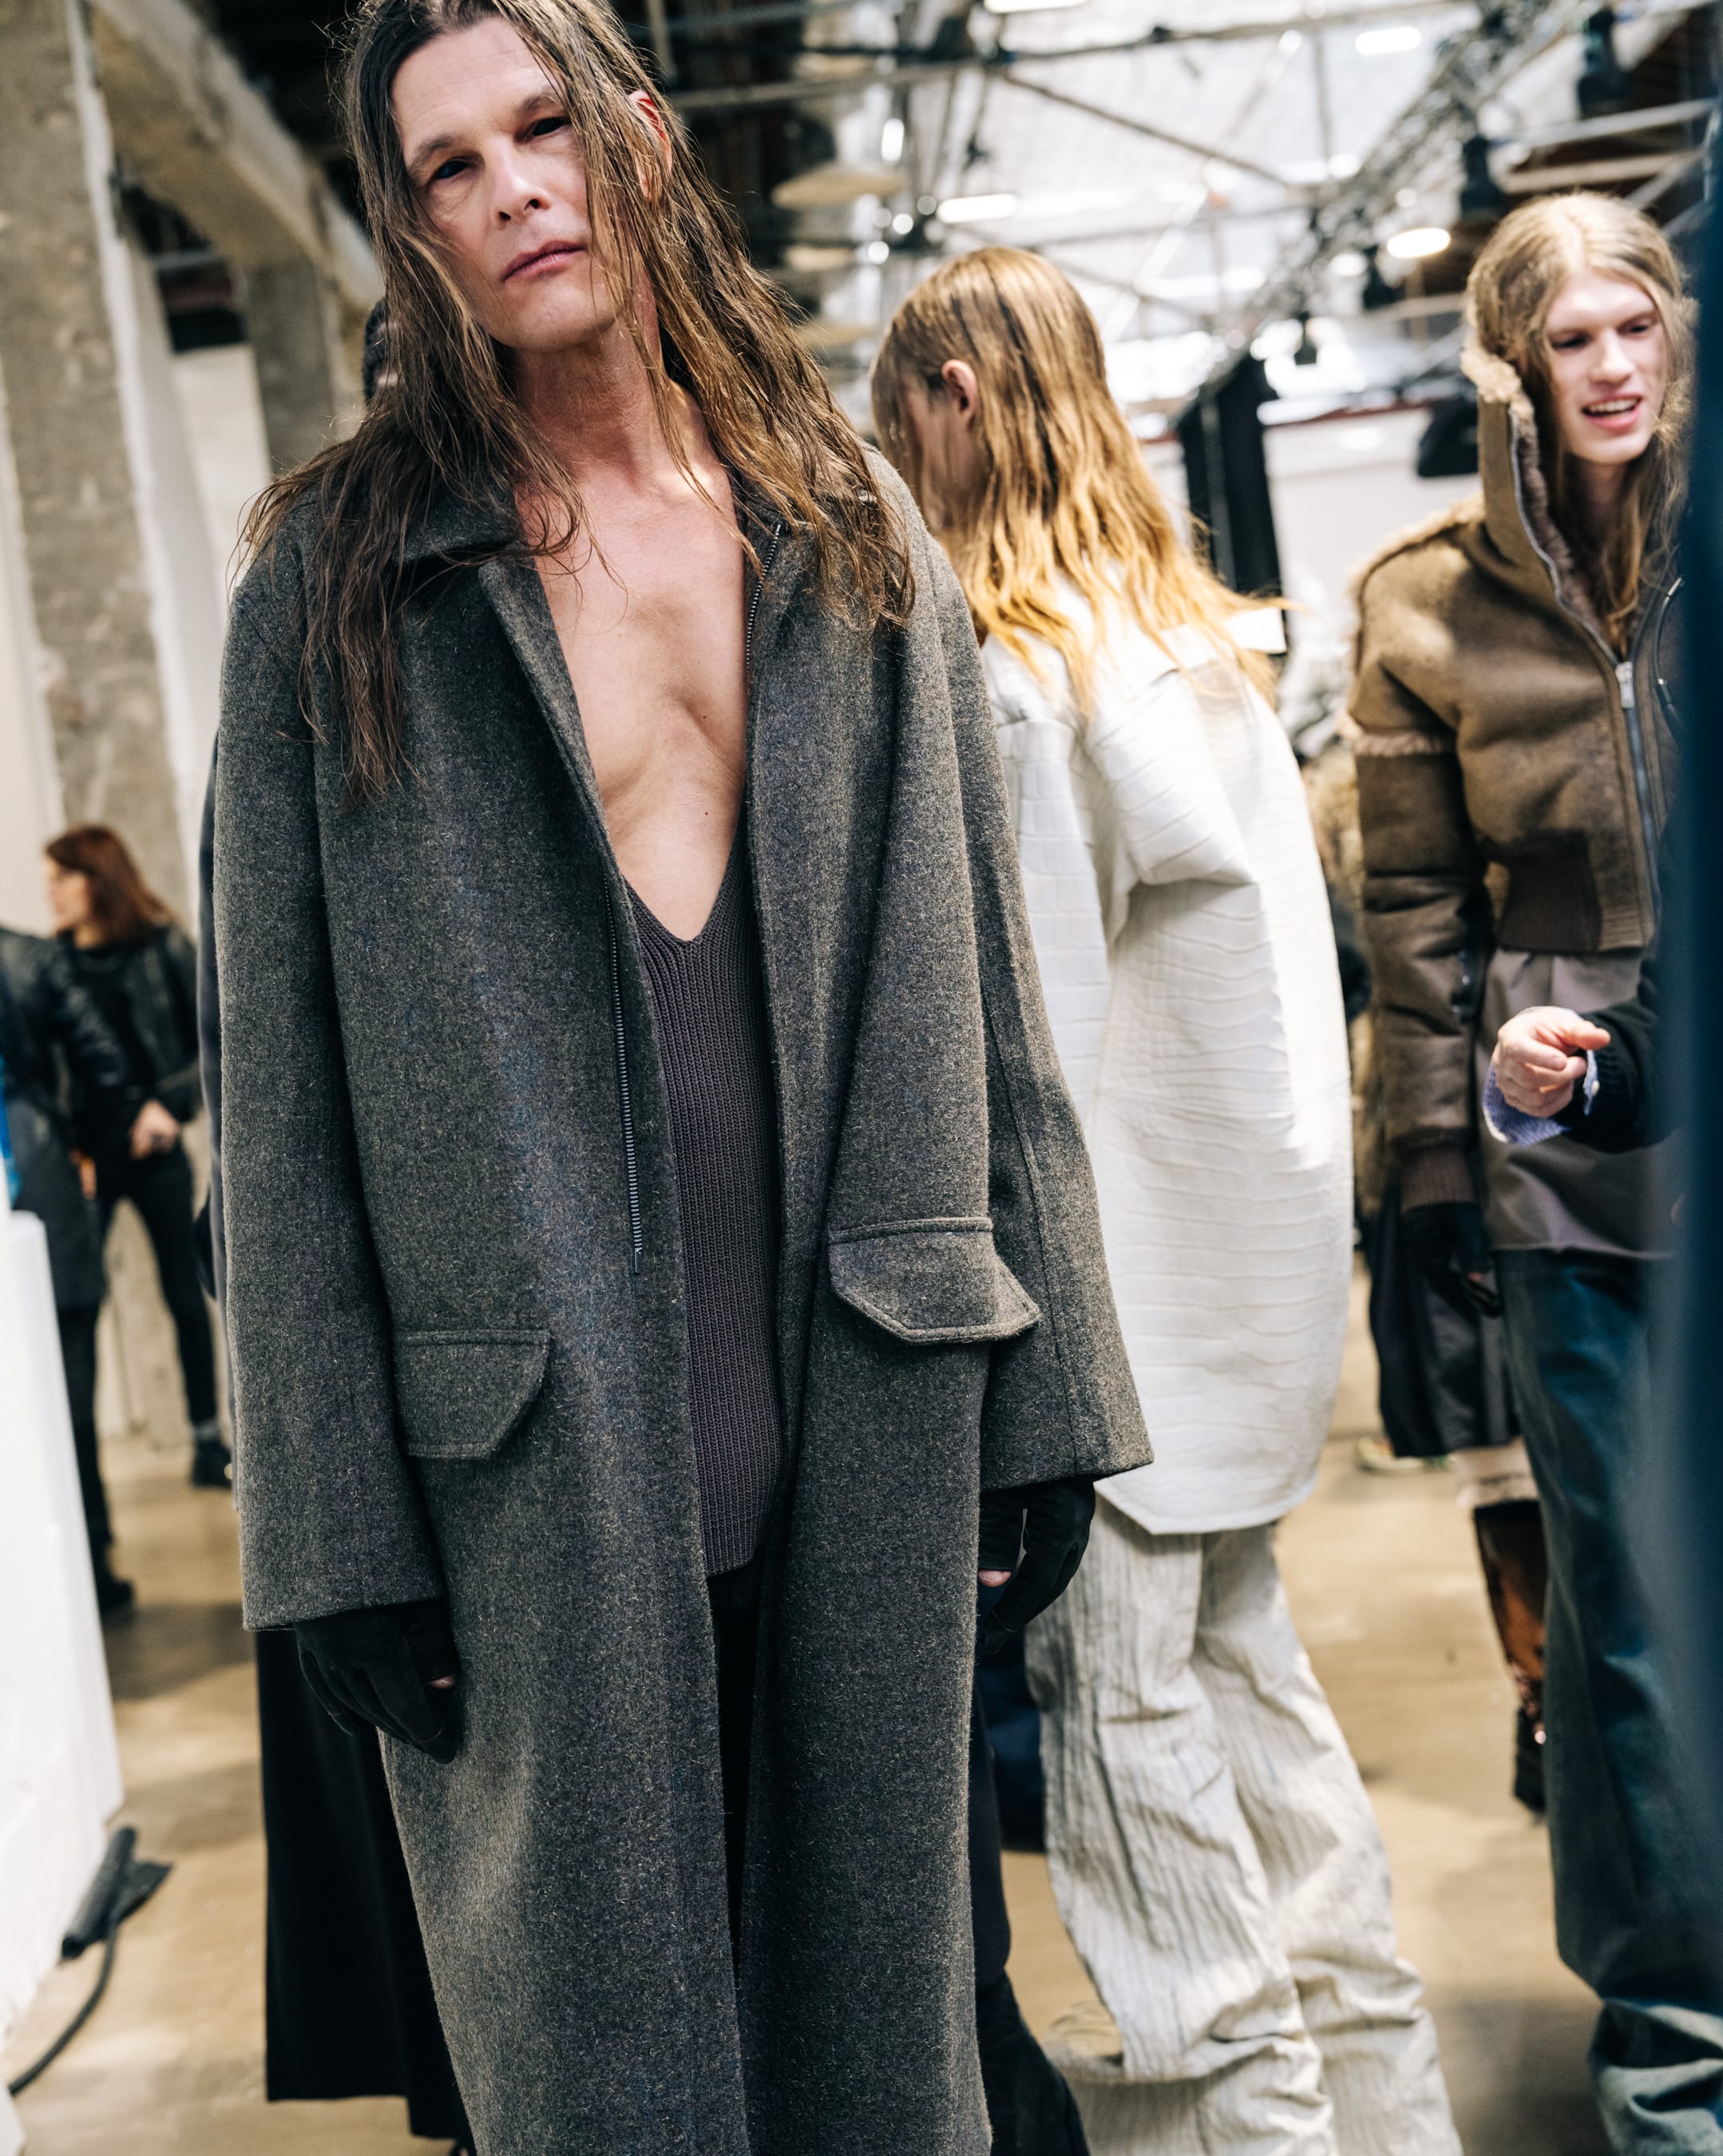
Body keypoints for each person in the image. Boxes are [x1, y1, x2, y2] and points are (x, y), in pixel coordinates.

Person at [212, 6, 1148, 2150]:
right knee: (599, 2082)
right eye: (445, 165)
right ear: (409, 225)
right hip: (525, 1467)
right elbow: (276, 1105)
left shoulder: (849, 536)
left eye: (542, 127)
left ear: (635, 137)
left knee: (878, 2056)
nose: (510, 187)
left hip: (864, 1413)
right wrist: (326, 1531)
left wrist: (1053, 1375)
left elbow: (984, 1000)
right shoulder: (342, 590)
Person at [873, 247, 1459, 2156]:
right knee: (1267, 1731)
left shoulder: (1017, 677)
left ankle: (1258, 2133)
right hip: (1248, 1300)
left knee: (1136, 1772)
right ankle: (1385, 2110)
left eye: (905, 409)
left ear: (958, 400)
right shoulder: (1197, 647)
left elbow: (1016, 1048)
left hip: (1110, 1326)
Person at [1351, 192, 1723, 2150]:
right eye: (1570, 337)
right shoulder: (1425, 602)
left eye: (1635, 323)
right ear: (1513, 363)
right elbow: (1409, 896)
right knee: (1638, 1614)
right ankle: (1675, 2054)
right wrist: (1439, 1140)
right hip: (1563, 1138)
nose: (1612, 365)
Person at [44, 825, 228, 1488]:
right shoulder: (52, 964)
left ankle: (209, 1441)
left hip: (154, 1150)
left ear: (99, 879)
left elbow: (209, 1047)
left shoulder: (163, 947)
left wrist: (168, 1108)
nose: (52, 892)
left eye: (63, 877)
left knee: (185, 1291)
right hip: (87, 1160)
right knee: (82, 1303)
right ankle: (77, 1463)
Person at [0, 924, 140, 1613]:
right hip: (43, 1179)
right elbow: (105, 1066)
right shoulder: (31, 957)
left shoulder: (32, 959)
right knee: (69, 1397)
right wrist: (83, 1150)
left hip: (35, 1181)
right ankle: (89, 1562)